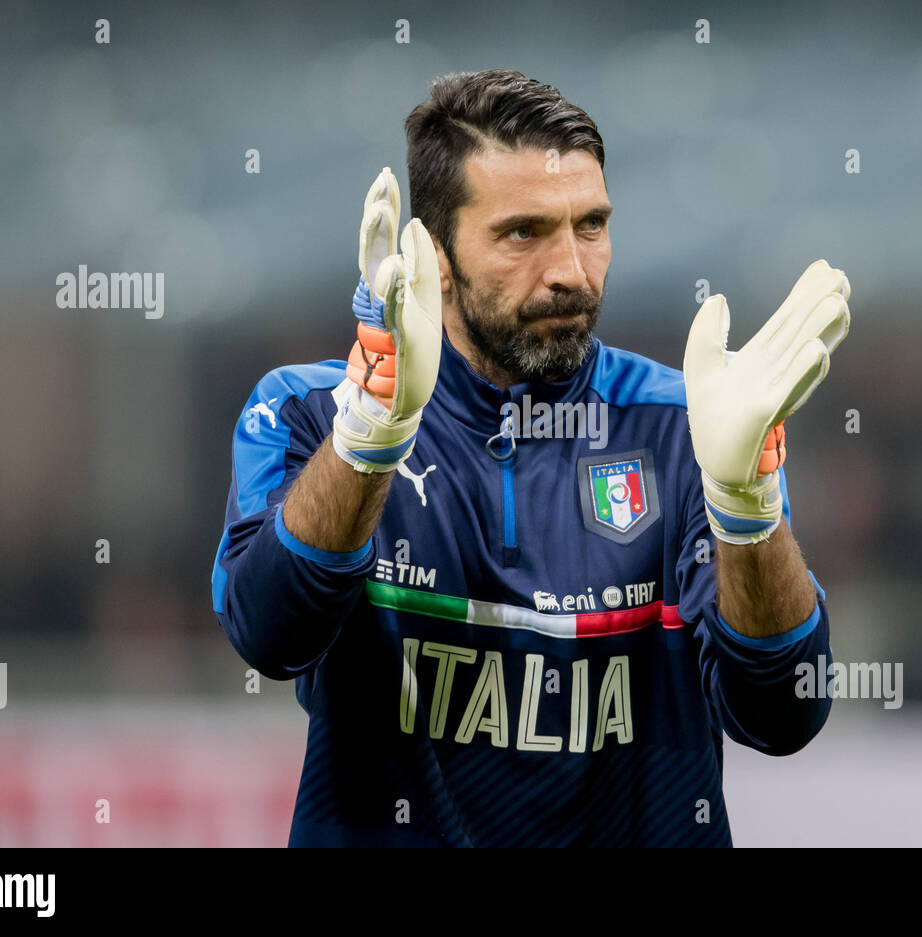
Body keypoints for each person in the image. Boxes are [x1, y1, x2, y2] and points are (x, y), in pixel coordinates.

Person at [212, 68, 850, 847]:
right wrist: (370, 433)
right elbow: (270, 636)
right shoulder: (308, 411)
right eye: (524, 232)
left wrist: (746, 506)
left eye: (591, 225)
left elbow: (783, 713)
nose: (572, 273)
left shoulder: (692, 430)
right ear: (436, 253)